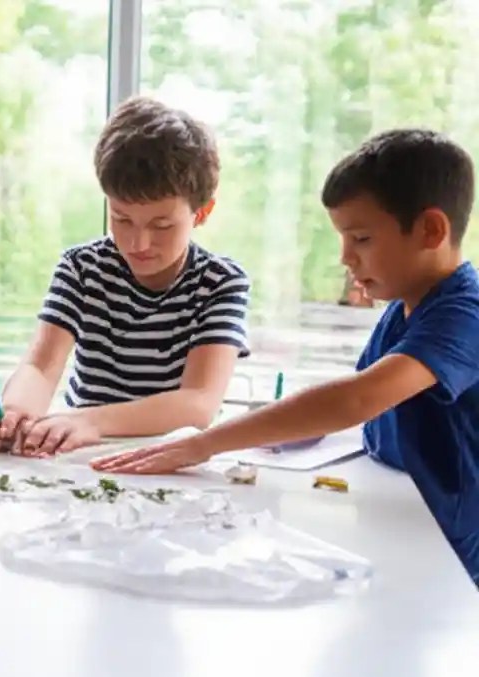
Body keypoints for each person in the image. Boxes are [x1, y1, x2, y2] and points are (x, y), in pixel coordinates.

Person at [93, 129, 479, 583]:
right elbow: (379, 420)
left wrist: (203, 444)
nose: (345, 258)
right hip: (409, 527)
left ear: (431, 230)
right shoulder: (406, 306)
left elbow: (356, 399)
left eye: (361, 238)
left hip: (455, 555)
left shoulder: (463, 315)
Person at [0, 96, 250, 457]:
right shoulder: (81, 268)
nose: (138, 242)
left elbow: (198, 404)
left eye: (161, 224)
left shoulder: (221, 283)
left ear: (202, 212)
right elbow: (41, 367)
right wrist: (13, 414)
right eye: (121, 218)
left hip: (169, 459)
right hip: (80, 457)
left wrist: (89, 422)